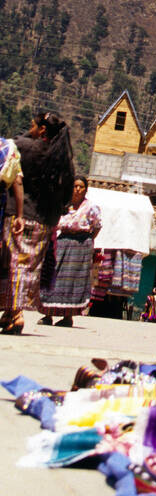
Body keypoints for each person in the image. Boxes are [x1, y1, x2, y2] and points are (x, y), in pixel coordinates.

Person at [0, 113, 75, 335]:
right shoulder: (64, 159)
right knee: (29, 267)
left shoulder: (24, 147)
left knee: (13, 264)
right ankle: (11, 313)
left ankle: (16, 313)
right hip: (46, 221)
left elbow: (9, 148)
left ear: (42, 129)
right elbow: (67, 195)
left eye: (33, 125)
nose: (30, 128)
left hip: (19, 215)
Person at [39, 175, 101, 326]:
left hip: (82, 245)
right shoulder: (63, 206)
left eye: (81, 187)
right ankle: (48, 314)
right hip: (63, 241)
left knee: (74, 280)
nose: (78, 189)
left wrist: (88, 240)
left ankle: (68, 317)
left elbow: (97, 226)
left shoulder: (91, 207)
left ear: (86, 189)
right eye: (75, 186)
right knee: (55, 277)